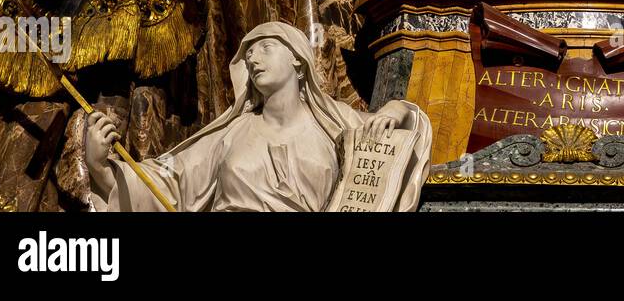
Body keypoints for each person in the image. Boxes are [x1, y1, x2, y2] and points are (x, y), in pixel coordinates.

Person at [85, 21, 431, 211]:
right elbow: (167, 180)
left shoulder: (335, 123)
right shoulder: (230, 134)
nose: (253, 59)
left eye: (266, 48)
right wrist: (103, 169)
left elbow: (400, 141)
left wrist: (395, 109)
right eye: (248, 54)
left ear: (298, 60)